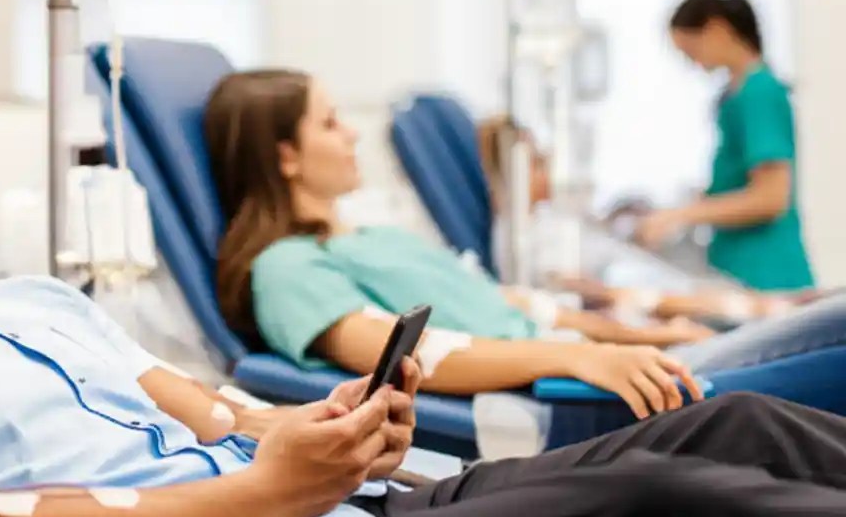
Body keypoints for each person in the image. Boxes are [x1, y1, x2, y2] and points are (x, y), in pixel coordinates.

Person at [0, 0, 846, 517]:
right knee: (653, 513)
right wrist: (267, 496)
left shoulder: (27, 302)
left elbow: (222, 414)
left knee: (726, 421)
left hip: (332, 510)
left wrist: (328, 433)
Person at [204, 69, 846, 419]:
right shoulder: (285, 266)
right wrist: (575, 361)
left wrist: (637, 338)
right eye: (329, 121)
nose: (351, 134)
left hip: (606, 366)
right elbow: (400, 356)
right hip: (570, 392)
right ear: (284, 155)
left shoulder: (374, 237)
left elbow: (509, 305)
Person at [476, 114, 824, 324]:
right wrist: (745, 307)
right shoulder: (525, 240)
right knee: (799, 317)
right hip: (667, 304)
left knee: (809, 310)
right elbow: (600, 293)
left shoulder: (544, 221)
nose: (549, 168)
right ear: (508, 174)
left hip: (677, 290)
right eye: (537, 162)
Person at [636, 0, 814, 291]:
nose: (693, 64)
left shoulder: (759, 93)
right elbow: (735, 184)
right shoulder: (736, 96)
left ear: (717, 29)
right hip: (739, 271)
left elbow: (771, 198)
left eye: (691, 52)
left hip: (767, 274)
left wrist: (681, 215)